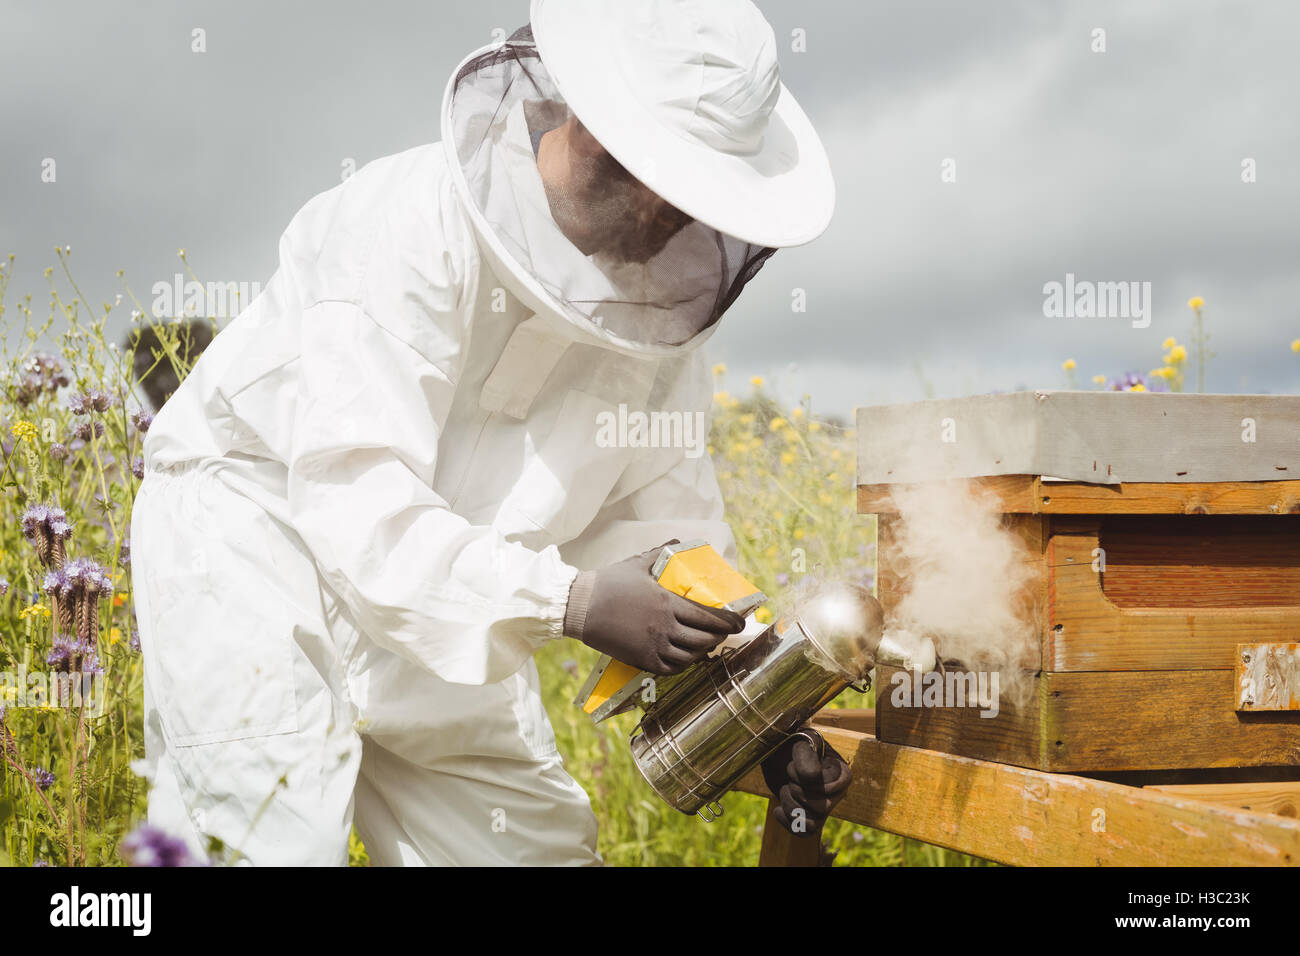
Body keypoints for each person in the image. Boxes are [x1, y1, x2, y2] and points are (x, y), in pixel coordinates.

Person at [129, 0, 848, 866]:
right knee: (266, 841)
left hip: (461, 588)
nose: (666, 220)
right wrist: (571, 602)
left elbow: (673, 530)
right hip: (258, 543)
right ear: (593, 117)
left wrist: (753, 701)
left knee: (532, 851)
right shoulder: (401, 223)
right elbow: (357, 501)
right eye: (656, 178)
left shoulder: (661, 330)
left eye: (691, 199)